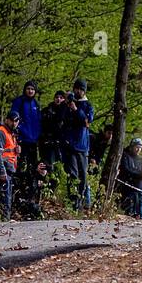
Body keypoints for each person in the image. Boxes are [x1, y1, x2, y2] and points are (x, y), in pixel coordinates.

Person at [62, 79, 94, 210]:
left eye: (81, 89)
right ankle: (73, 201)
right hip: (70, 145)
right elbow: (62, 119)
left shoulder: (87, 105)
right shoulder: (68, 103)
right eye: (77, 89)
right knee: (72, 174)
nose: (78, 91)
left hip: (82, 146)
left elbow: (87, 121)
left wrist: (76, 110)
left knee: (83, 175)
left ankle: (81, 201)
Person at [0, 109, 21, 221]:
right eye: (12, 120)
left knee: (7, 199)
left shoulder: (12, 134)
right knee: (3, 200)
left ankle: (3, 222)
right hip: (0, 171)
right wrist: (2, 172)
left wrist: (17, 151)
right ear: (7, 120)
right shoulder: (1, 132)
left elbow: (8, 152)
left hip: (8, 170)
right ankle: (1, 223)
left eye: (16, 121)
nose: (14, 123)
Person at [9, 81, 43, 182]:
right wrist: (17, 134)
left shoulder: (36, 103)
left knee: (32, 166)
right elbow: (13, 117)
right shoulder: (19, 101)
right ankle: (17, 189)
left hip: (33, 140)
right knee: (20, 166)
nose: (30, 91)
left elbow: (39, 121)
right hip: (22, 139)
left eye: (32, 89)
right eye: (28, 89)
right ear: (25, 89)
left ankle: (30, 190)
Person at [118, 137, 142, 218]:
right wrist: (140, 174)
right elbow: (126, 170)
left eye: (140, 148)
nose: (138, 150)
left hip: (136, 188)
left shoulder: (139, 160)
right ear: (132, 146)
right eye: (137, 147)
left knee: (137, 210)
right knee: (127, 209)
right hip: (125, 187)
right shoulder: (125, 155)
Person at [39, 89, 68, 173]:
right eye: (57, 97)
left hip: (62, 144)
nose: (58, 99)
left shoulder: (67, 111)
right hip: (48, 143)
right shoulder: (47, 110)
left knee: (60, 168)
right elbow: (43, 125)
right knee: (48, 166)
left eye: (61, 97)